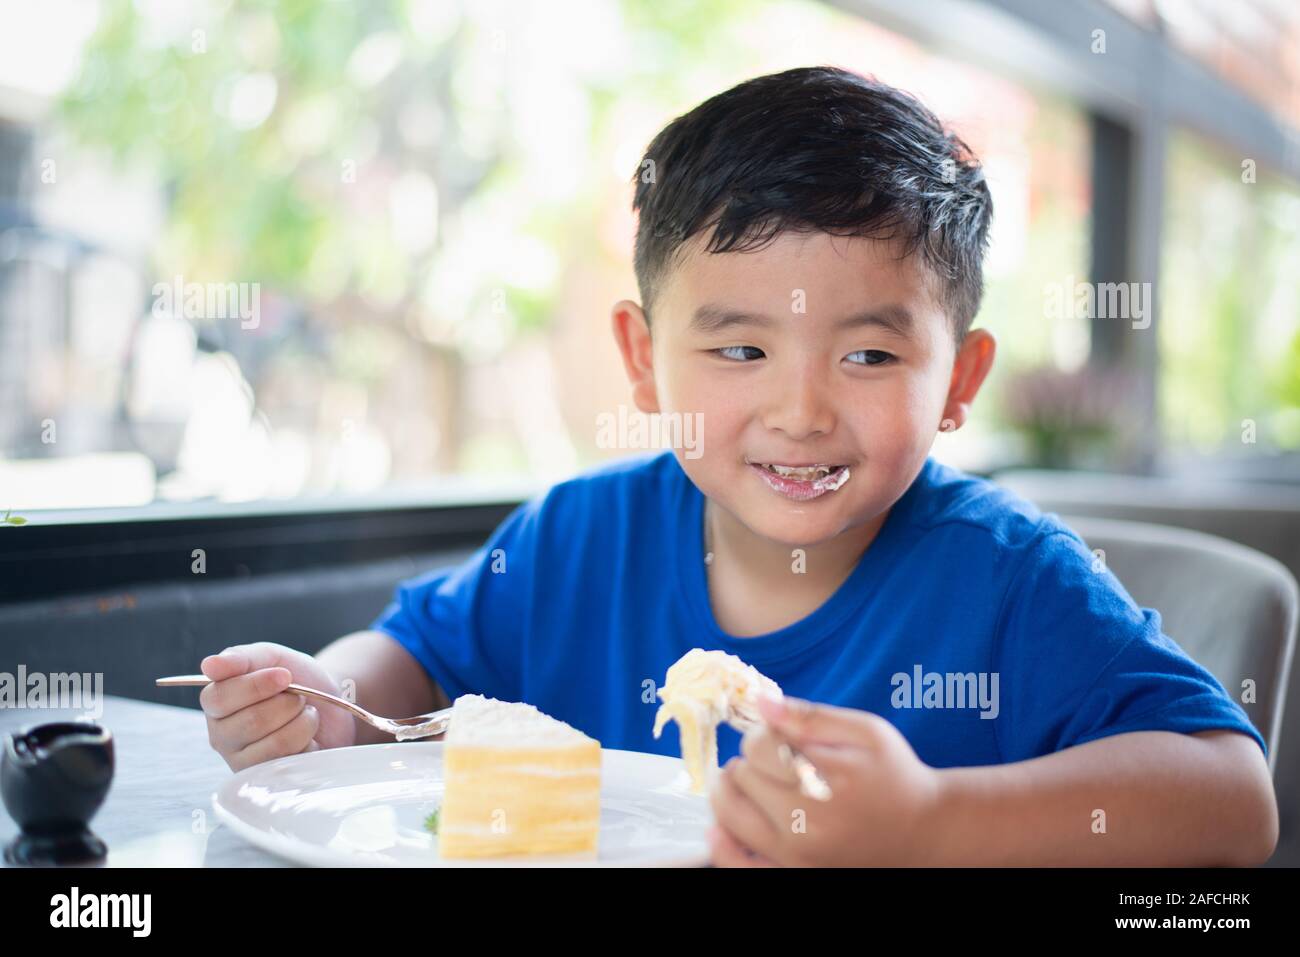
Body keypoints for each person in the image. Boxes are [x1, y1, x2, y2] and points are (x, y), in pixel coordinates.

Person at [198, 66, 1277, 866]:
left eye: (868, 353)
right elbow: (411, 662)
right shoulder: (574, 540)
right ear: (642, 360)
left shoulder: (1012, 580)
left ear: (958, 381)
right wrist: (328, 704)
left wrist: (932, 824)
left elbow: (1232, 803)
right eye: (739, 350)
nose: (800, 412)